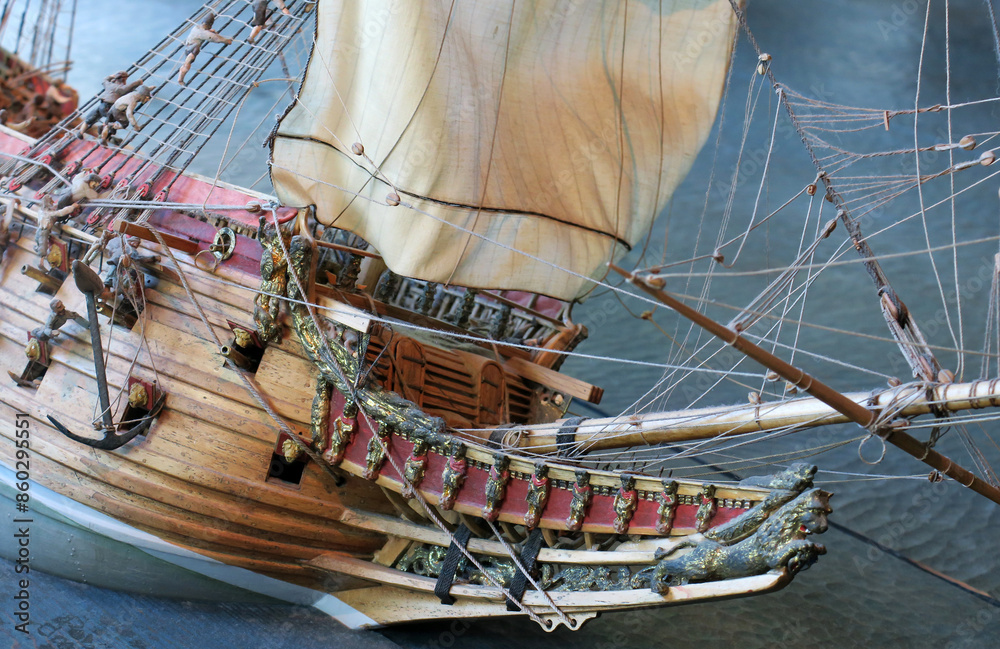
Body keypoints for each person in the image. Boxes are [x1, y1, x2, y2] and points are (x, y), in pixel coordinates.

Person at [76, 71, 143, 138]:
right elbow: (130, 87)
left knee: (88, 119)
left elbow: (105, 80)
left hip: (102, 106)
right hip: (111, 109)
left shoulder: (109, 85)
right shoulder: (122, 88)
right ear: (124, 79)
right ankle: (105, 132)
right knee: (121, 123)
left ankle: (81, 131)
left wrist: (111, 76)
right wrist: (138, 82)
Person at [177, 13, 233, 86]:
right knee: (186, 66)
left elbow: (204, 32)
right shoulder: (204, 34)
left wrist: (209, 31)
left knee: (187, 64)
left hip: (189, 45)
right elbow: (215, 38)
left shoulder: (197, 27)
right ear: (210, 25)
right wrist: (227, 41)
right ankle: (180, 80)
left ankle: (180, 79)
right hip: (191, 50)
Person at [33, 195, 79, 260]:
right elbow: (61, 212)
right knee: (42, 242)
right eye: (51, 201)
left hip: (41, 229)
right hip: (44, 230)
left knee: (38, 239)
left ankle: (40, 250)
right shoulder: (48, 213)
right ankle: (42, 254)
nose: (53, 201)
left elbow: (54, 209)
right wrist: (72, 207)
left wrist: (57, 205)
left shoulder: (41, 210)